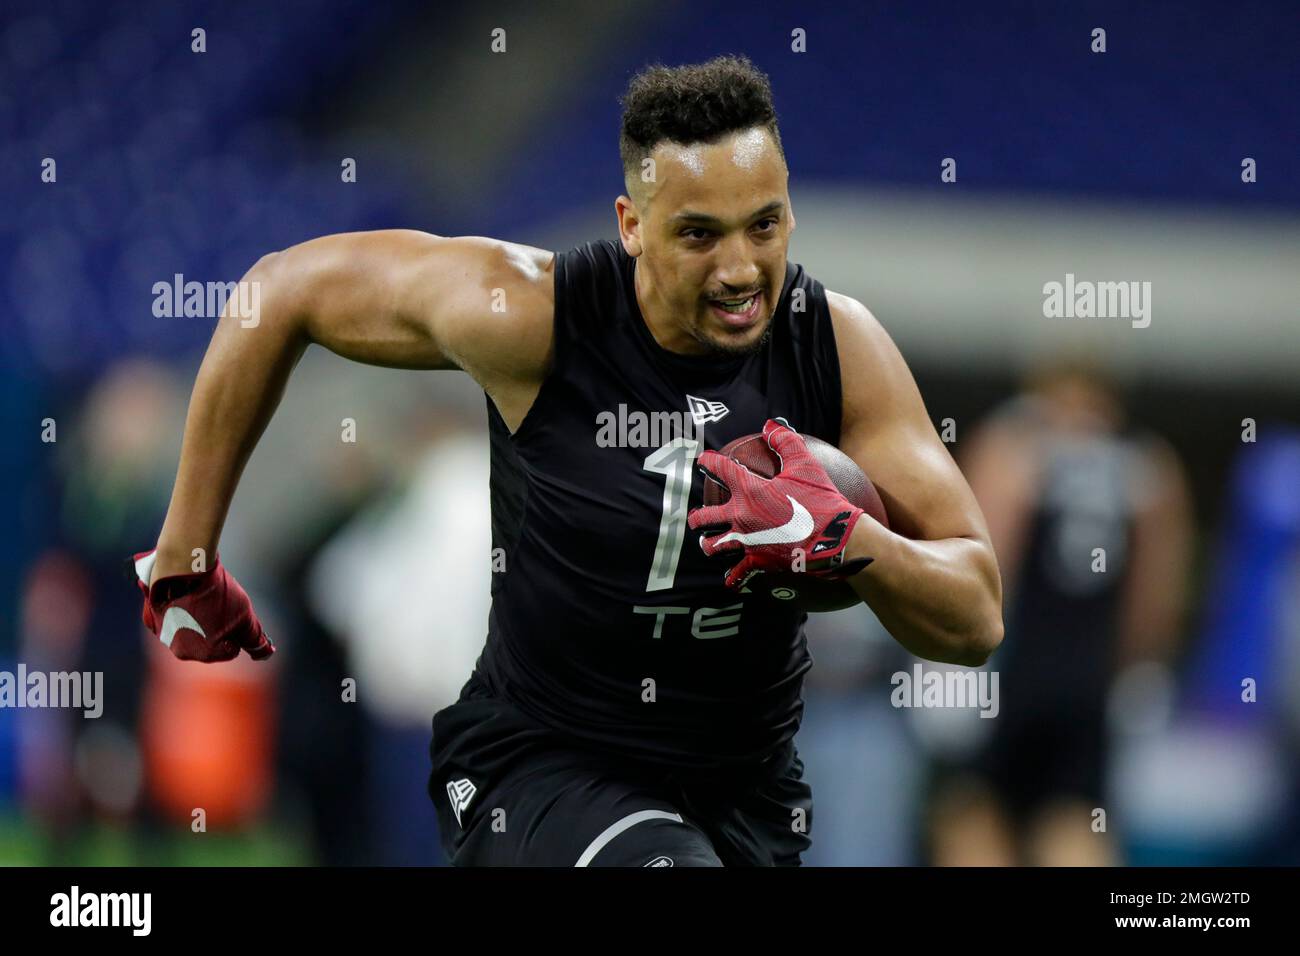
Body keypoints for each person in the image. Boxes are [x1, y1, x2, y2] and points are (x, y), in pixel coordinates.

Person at [131, 56, 1002, 866]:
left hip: (743, 789)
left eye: (763, 226)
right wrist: (187, 554)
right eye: (699, 235)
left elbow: (975, 618)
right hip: (541, 765)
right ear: (631, 225)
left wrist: (851, 540)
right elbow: (278, 292)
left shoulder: (837, 348)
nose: (740, 268)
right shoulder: (532, 317)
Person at [928, 359, 1192, 866]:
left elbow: (984, 560)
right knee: (1076, 819)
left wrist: (947, 663)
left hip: (1014, 675)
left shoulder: (1013, 448)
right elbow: (1156, 599)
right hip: (1089, 682)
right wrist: (1135, 669)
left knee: (972, 812)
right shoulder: (1149, 468)